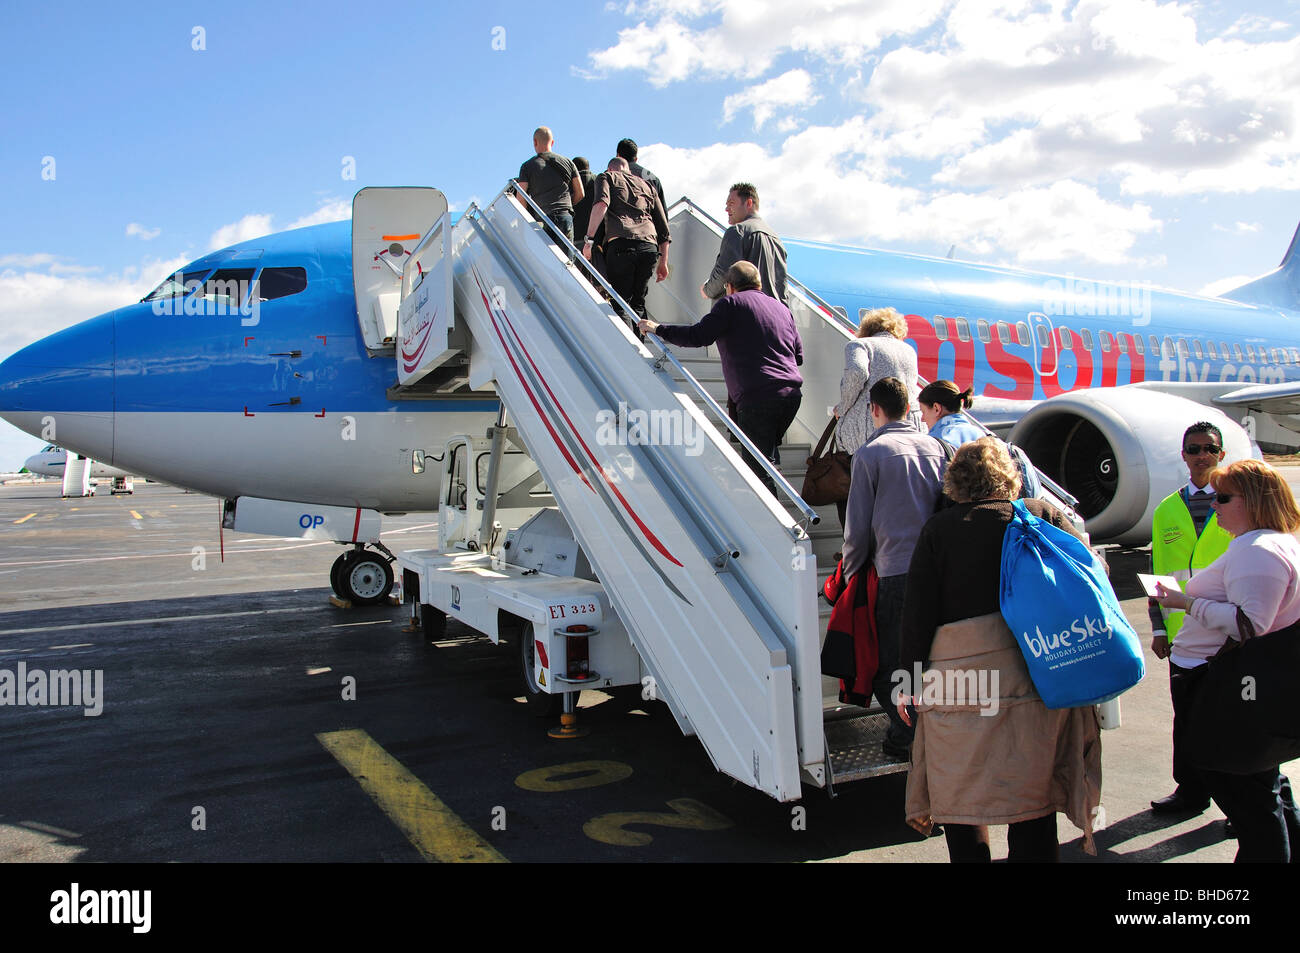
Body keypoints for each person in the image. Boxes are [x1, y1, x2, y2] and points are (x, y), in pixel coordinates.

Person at [899, 437, 1103, 862]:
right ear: (1008, 477)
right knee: (1033, 793)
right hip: (1038, 671)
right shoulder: (1042, 516)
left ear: (956, 481)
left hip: (959, 679)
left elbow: (918, 614)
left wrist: (909, 680)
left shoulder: (939, 530)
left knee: (961, 792)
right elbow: (1089, 583)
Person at [1154, 459, 1300, 862]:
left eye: (1223, 497)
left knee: (1246, 795)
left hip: (1221, 682)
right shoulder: (1267, 542)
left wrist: (1188, 602)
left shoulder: (1258, 550)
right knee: (1261, 785)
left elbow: (1248, 624)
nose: (1213, 504)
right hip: (1226, 678)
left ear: (1252, 501)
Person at [841, 376, 947, 759]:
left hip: (894, 574)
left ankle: (910, 736)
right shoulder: (937, 447)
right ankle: (925, 733)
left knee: (890, 667)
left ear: (874, 409)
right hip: (937, 572)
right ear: (910, 408)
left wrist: (849, 575)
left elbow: (857, 529)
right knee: (927, 660)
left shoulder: (870, 455)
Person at [639, 261, 802, 491]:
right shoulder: (782, 309)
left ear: (729, 286)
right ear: (759, 284)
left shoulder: (731, 304)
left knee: (757, 471)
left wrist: (659, 329)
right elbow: (798, 356)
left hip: (757, 397)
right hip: (791, 396)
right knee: (766, 457)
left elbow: (698, 336)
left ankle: (773, 525)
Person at [1147, 423, 1233, 822]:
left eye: (1209, 449)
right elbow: (1158, 574)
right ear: (1183, 454)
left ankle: (1241, 804)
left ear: (1221, 454)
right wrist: (1159, 628)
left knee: (1237, 723)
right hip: (1183, 639)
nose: (1201, 456)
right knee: (1186, 721)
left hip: (1230, 634)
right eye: (1194, 449)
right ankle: (1191, 791)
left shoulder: (1238, 504)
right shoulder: (1167, 509)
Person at [583, 157, 671, 323]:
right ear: (628, 170)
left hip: (621, 244)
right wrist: (663, 262)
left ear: (610, 169)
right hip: (649, 248)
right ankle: (639, 346)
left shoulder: (606, 177)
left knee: (620, 302)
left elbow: (601, 204)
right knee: (638, 303)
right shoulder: (648, 186)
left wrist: (589, 241)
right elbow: (663, 229)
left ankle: (626, 348)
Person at [834, 307, 921, 457]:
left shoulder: (860, 345)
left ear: (866, 328)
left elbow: (857, 372)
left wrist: (841, 408)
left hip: (869, 423)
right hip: (908, 423)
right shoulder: (908, 350)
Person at [701, 183, 787, 305]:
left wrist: (707, 290)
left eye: (731, 203)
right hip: (772, 317)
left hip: (743, 315)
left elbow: (724, 274)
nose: (726, 209)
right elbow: (782, 289)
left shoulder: (738, 232)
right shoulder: (777, 241)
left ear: (749, 203)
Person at [516, 127, 584, 243]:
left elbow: (521, 198)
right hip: (564, 217)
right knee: (566, 259)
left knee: (545, 258)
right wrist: (566, 205)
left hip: (542, 219)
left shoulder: (527, 166)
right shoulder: (568, 162)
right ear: (552, 142)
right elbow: (580, 193)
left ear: (535, 142)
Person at [918, 380, 984, 448]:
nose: (922, 419)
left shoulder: (933, 443)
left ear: (936, 408)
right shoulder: (983, 437)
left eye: (923, 412)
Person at [616, 138, 666, 211]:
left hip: (617, 221)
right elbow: (663, 212)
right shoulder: (652, 178)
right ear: (636, 159)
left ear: (618, 156)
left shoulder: (609, 175)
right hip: (647, 221)